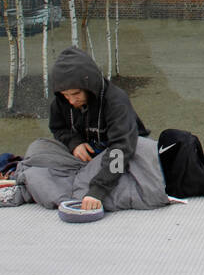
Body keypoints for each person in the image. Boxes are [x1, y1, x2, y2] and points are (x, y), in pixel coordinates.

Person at [48, 45, 150, 211]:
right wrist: (74, 143)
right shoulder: (61, 102)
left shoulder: (116, 101)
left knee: (130, 181)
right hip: (89, 155)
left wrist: (98, 190)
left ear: (89, 86)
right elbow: (58, 129)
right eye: (66, 95)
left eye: (76, 94)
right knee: (39, 149)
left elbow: (121, 149)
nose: (71, 101)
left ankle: (84, 191)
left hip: (124, 155)